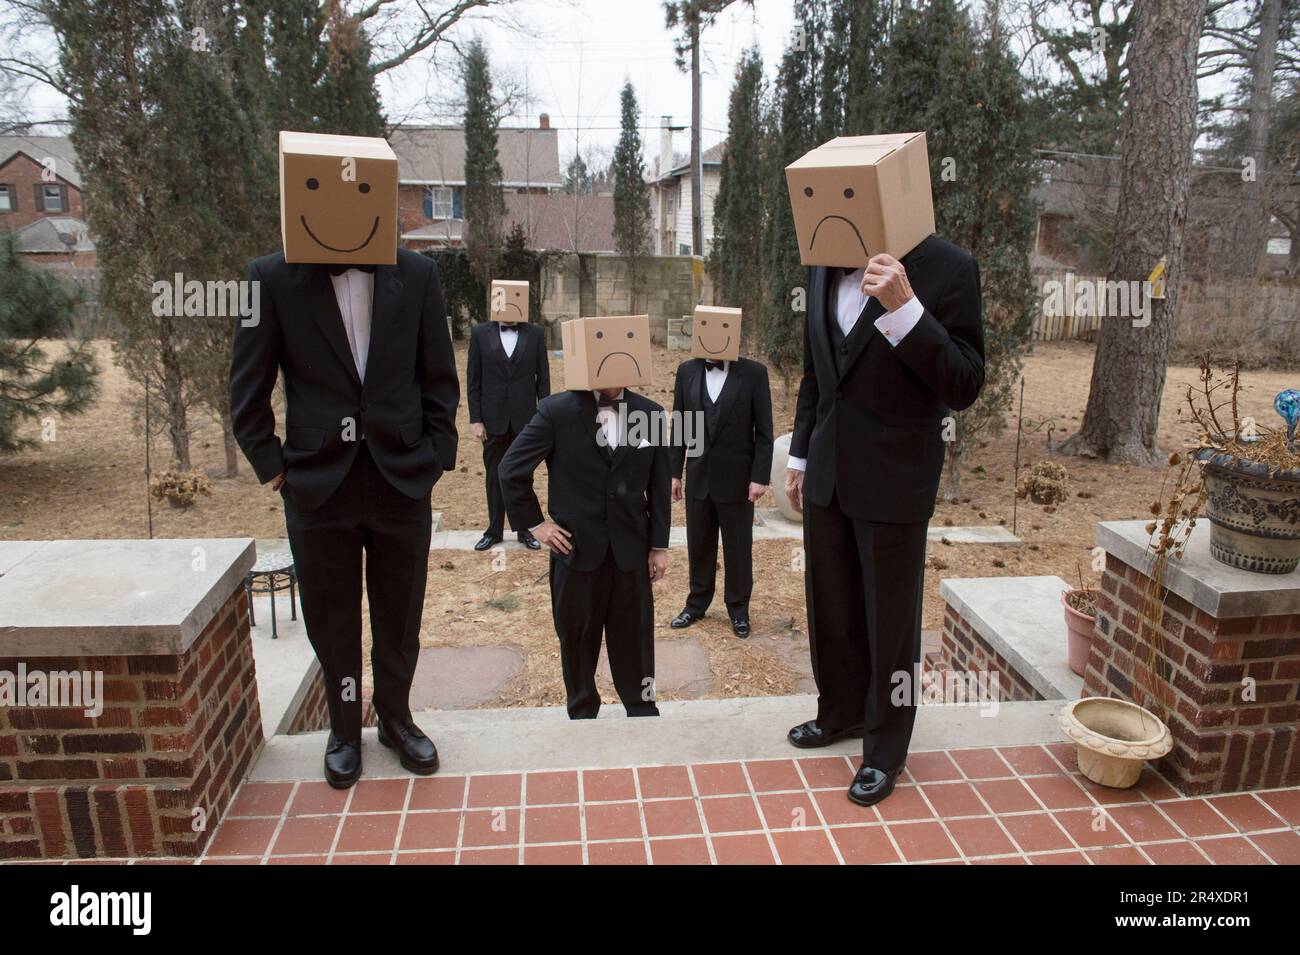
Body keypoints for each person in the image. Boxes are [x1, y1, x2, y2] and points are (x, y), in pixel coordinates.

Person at [230, 249, 458, 789]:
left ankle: (396, 720)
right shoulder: (269, 277)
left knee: (400, 613)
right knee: (331, 619)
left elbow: (439, 376)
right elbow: (247, 386)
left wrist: (435, 457)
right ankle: (344, 729)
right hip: (316, 485)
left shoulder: (418, 273)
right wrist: (274, 467)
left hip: (400, 479)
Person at [785, 244, 984, 807]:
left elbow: (964, 384)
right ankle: (840, 713)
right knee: (832, 606)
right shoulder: (824, 262)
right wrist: (800, 457)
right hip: (828, 471)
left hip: (896, 478)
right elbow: (816, 372)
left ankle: (885, 751)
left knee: (889, 622)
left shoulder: (950, 269)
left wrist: (906, 309)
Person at [498, 351, 671, 719]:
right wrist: (536, 524)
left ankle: (642, 710)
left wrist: (659, 545)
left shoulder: (651, 413)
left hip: (631, 553)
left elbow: (658, 486)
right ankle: (581, 712)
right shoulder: (555, 411)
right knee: (577, 641)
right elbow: (511, 470)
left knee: (636, 642)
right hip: (576, 553)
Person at [667, 353, 774, 637]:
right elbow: (679, 426)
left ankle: (738, 610)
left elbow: (764, 431)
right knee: (698, 543)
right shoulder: (686, 370)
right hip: (699, 476)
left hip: (738, 481)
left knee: (738, 548)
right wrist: (674, 472)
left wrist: (759, 477)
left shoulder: (754, 373)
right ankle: (696, 604)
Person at [466, 313, 549, 551]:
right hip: (493, 420)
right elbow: (473, 380)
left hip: (526, 419)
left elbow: (543, 380)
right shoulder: (480, 333)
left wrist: (544, 417)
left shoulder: (535, 334)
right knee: (493, 475)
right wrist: (476, 419)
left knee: (523, 475)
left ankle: (525, 529)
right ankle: (493, 530)